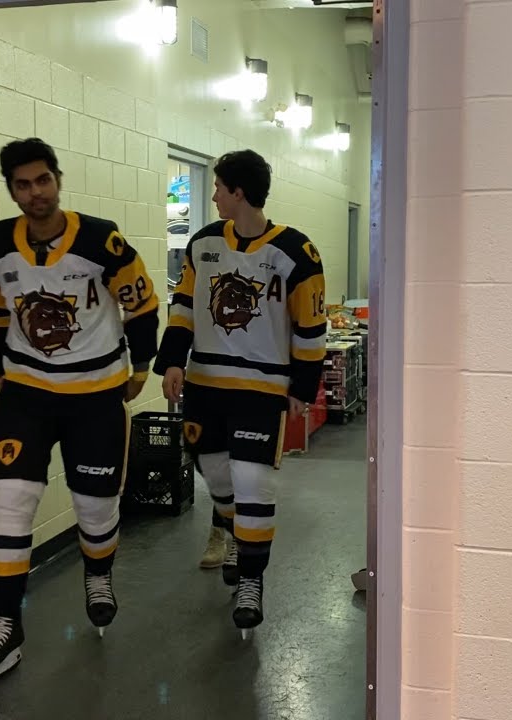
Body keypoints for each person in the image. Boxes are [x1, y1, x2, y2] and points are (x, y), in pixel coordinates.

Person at [0, 138, 159, 686]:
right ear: (12, 190)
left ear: (58, 178)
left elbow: (142, 303)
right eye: (22, 185)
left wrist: (140, 366)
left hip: (96, 395)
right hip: (26, 393)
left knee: (94, 510)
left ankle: (98, 574)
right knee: (10, 501)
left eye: (42, 180)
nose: (35, 193)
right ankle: (4, 623)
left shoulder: (101, 239)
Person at [154, 149, 327, 638]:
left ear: (238, 193)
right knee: (217, 477)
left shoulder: (295, 252)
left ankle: (251, 580)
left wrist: (305, 388)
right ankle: (233, 533)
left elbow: (310, 327)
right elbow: (184, 307)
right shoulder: (204, 244)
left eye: (217, 187)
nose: (212, 196)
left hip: (261, 387)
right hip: (206, 385)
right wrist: (171, 361)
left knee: (253, 482)